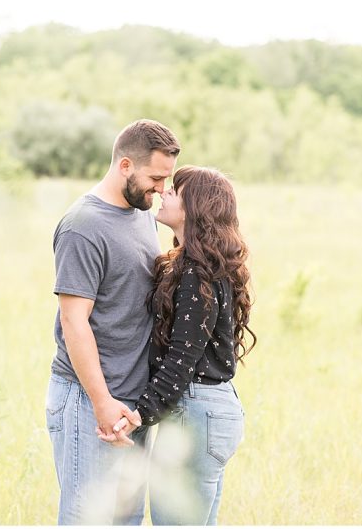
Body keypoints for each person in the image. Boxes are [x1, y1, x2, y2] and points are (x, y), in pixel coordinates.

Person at [98, 166, 256, 525]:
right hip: (214, 409)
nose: (164, 192)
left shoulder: (196, 274)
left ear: (194, 207)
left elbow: (182, 359)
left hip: (195, 414)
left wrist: (139, 416)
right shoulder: (206, 267)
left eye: (175, 191)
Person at [46, 119, 181, 525]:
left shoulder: (142, 214)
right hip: (89, 401)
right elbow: (74, 322)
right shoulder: (83, 227)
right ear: (125, 165)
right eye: (155, 178)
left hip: (133, 405)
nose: (161, 189)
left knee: (125, 520)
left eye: (166, 179)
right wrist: (102, 402)